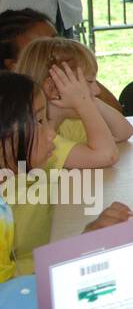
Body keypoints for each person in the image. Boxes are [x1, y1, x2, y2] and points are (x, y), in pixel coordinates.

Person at [5, 63, 122, 274]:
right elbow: (12, 295)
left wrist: (84, 242)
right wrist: (82, 247)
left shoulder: (23, 166)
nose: (52, 134)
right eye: (39, 121)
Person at [15, 38, 133, 154]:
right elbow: (108, 155)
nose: (97, 90)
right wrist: (84, 103)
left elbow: (124, 132)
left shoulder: (68, 123)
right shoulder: (38, 141)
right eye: (89, 82)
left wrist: (89, 100)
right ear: (53, 89)